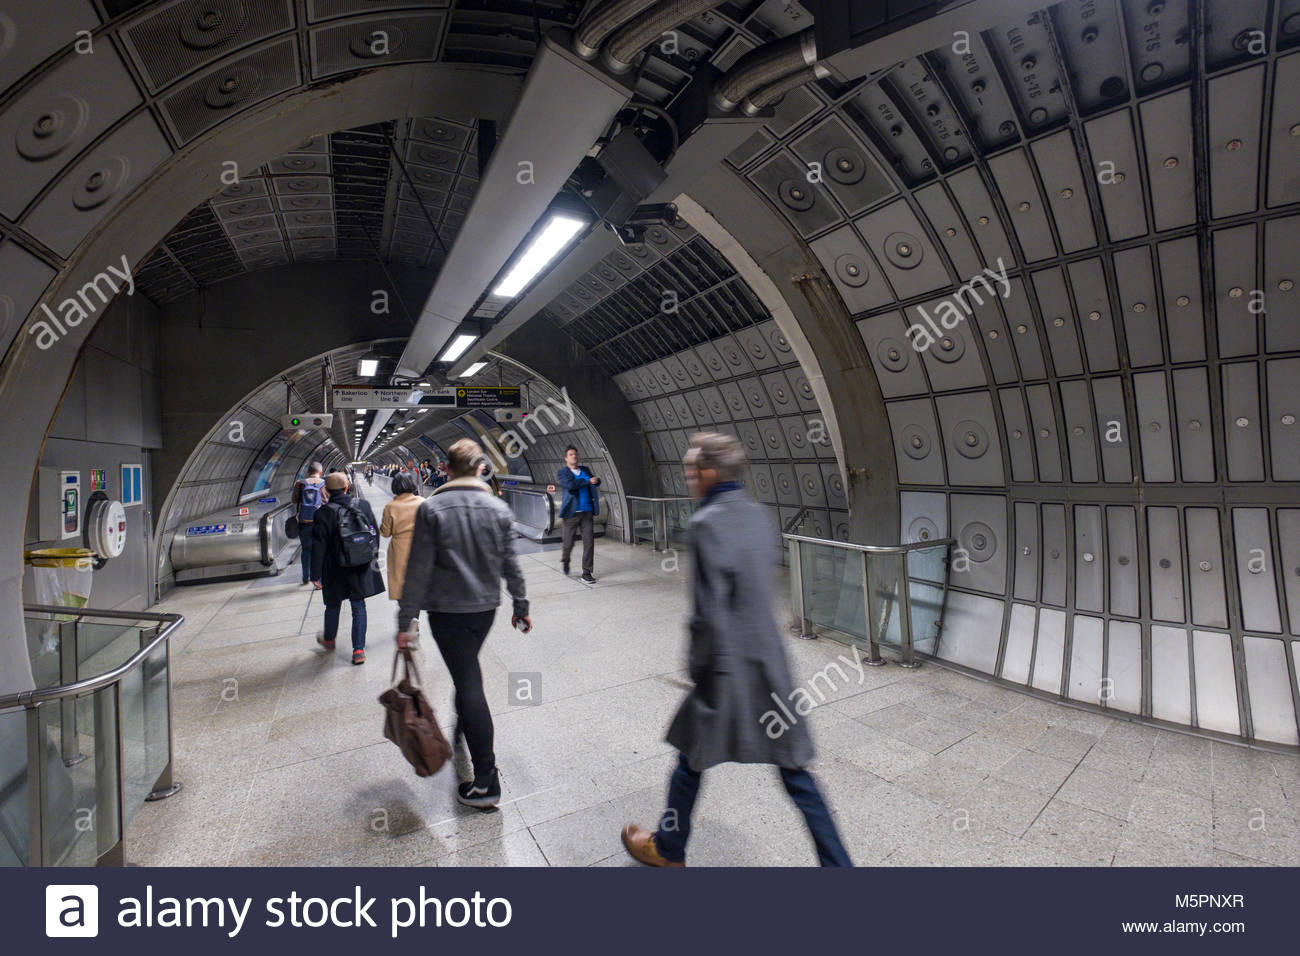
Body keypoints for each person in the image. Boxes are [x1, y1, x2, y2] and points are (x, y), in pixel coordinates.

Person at [621, 432, 852, 868]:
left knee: (689, 760)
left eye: (692, 470)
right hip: (768, 663)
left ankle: (668, 849)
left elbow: (707, 612)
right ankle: (839, 867)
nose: (689, 477)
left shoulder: (706, 524)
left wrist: (696, 666)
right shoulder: (758, 516)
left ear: (708, 472)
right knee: (795, 772)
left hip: (724, 670)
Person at [397, 438, 530, 810]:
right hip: (485, 608)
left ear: (447, 469)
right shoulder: (498, 508)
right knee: (466, 671)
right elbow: (511, 564)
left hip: (447, 611)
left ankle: (486, 781)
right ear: (479, 469)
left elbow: (418, 569)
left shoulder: (433, 508)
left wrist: (406, 620)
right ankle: (461, 728)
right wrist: (521, 603)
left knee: (469, 681)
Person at [311, 471, 384, 665]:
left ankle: (329, 640)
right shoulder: (363, 505)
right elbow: (373, 533)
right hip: (359, 565)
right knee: (358, 606)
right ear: (347, 487)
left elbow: (319, 546)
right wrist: (371, 557)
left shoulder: (322, 513)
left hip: (334, 568)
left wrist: (315, 574)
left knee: (333, 605)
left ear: (326, 490)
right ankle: (358, 650)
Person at [379, 472, 424, 632]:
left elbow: (385, 532)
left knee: (400, 586)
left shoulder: (391, 506)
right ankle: (415, 618)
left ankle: (408, 616)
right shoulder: (422, 503)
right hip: (419, 547)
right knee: (417, 585)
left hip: (398, 550)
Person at [556, 445, 599, 582]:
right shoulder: (563, 472)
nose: (574, 456)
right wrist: (587, 480)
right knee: (568, 543)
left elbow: (594, 482)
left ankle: (587, 572)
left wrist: (596, 480)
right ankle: (566, 560)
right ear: (566, 458)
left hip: (587, 512)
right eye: (571, 454)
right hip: (571, 513)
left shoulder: (585, 470)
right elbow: (570, 485)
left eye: (575, 454)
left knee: (589, 542)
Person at [292, 461, 328, 586]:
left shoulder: (300, 483)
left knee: (306, 550)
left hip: (305, 522)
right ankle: (319, 579)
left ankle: (305, 576)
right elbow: (328, 501)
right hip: (321, 522)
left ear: (308, 472)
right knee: (321, 550)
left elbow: (294, 500)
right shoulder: (325, 483)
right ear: (320, 472)